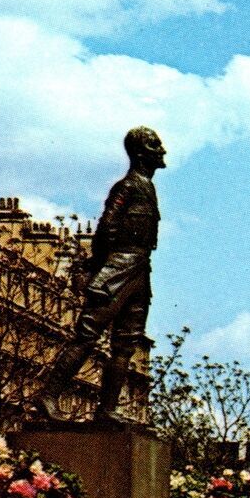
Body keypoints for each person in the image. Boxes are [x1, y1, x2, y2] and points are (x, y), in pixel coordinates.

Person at [36, 127, 166, 424]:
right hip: (118, 267)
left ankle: (107, 409)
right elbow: (106, 229)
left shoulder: (147, 187)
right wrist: (101, 270)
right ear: (142, 151)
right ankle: (48, 396)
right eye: (156, 145)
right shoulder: (127, 187)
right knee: (87, 335)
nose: (163, 151)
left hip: (139, 269)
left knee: (127, 342)